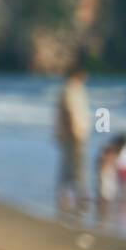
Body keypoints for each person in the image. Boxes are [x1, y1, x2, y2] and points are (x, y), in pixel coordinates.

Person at [55, 65, 91, 213]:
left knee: (72, 167)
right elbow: (69, 113)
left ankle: (71, 196)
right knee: (75, 167)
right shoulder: (70, 89)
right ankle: (76, 197)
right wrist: (75, 133)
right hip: (73, 136)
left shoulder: (77, 89)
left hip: (75, 135)